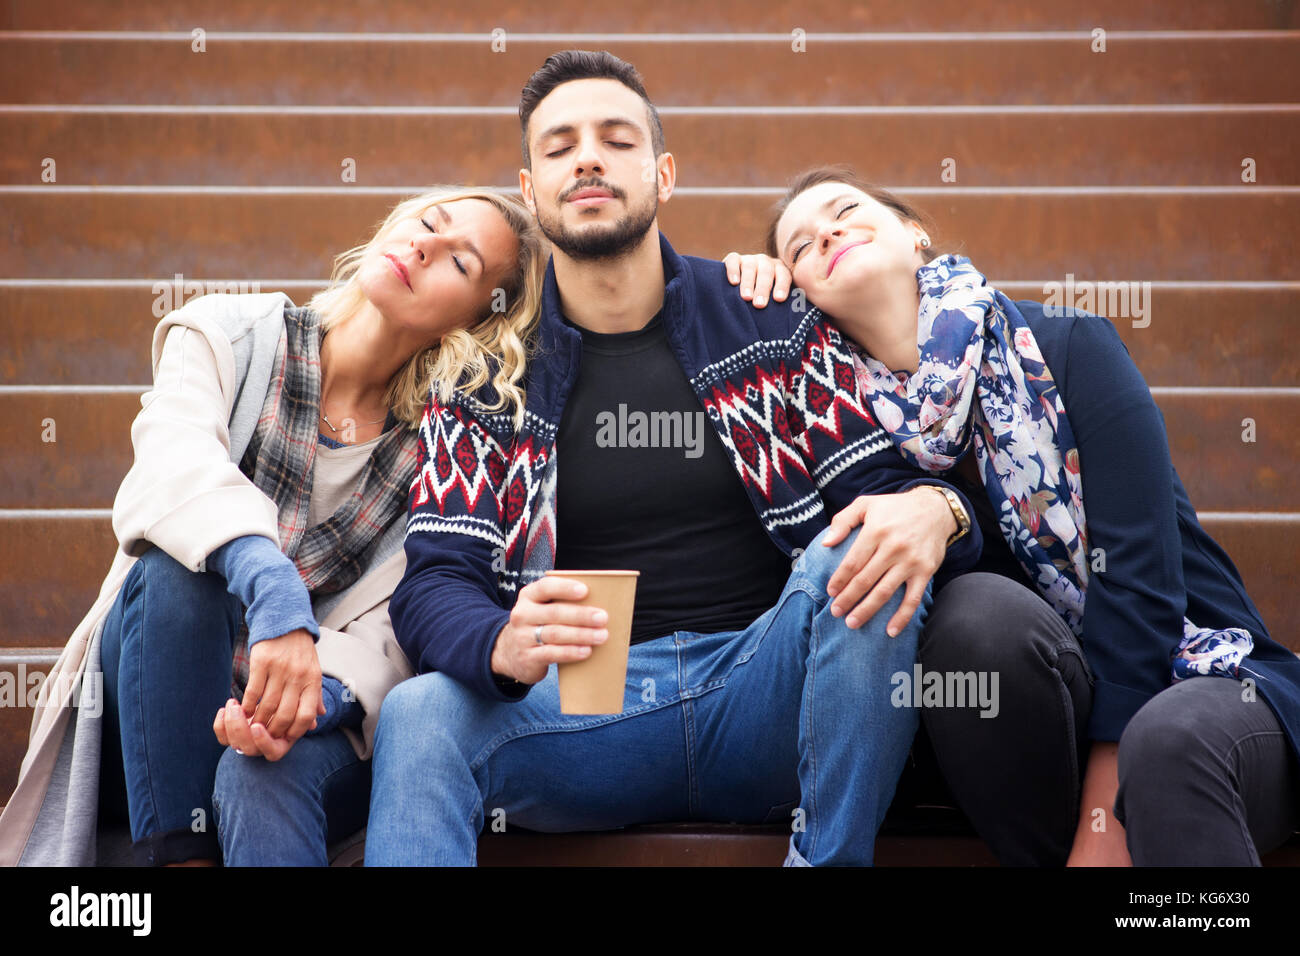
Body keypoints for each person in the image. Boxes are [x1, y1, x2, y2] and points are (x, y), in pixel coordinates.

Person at [363, 51, 985, 867]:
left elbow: (888, 496)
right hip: (586, 714)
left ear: (663, 175)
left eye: (615, 140)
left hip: (772, 691)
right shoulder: (487, 378)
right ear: (530, 190)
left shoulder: (765, 321)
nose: (586, 157)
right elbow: (436, 577)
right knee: (419, 716)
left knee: (859, 546)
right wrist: (497, 642)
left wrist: (938, 509)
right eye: (559, 146)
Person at [723, 164, 1300, 865]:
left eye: (844, 210)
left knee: (1166, 746)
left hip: (1196, 682)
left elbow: (1144, 580)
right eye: (800, 248)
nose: (828, 233)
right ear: (801, 294)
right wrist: (740, 296)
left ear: (915, 235)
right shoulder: (835, 432)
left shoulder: (1066, 344)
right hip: (1012, 733)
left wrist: (1102, 818)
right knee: (975, 622)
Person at [0, 187, 547, 866]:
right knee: (176, 571)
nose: (425, 246)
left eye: (460, 264)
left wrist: (300, 706)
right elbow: (173, 470)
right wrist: (275, 595)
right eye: (428, 222)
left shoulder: (438, 454)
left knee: (260, 771)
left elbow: (391, 635)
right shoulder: (230, 335)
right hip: (143, 718)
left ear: (476, 320)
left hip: (284, 734)